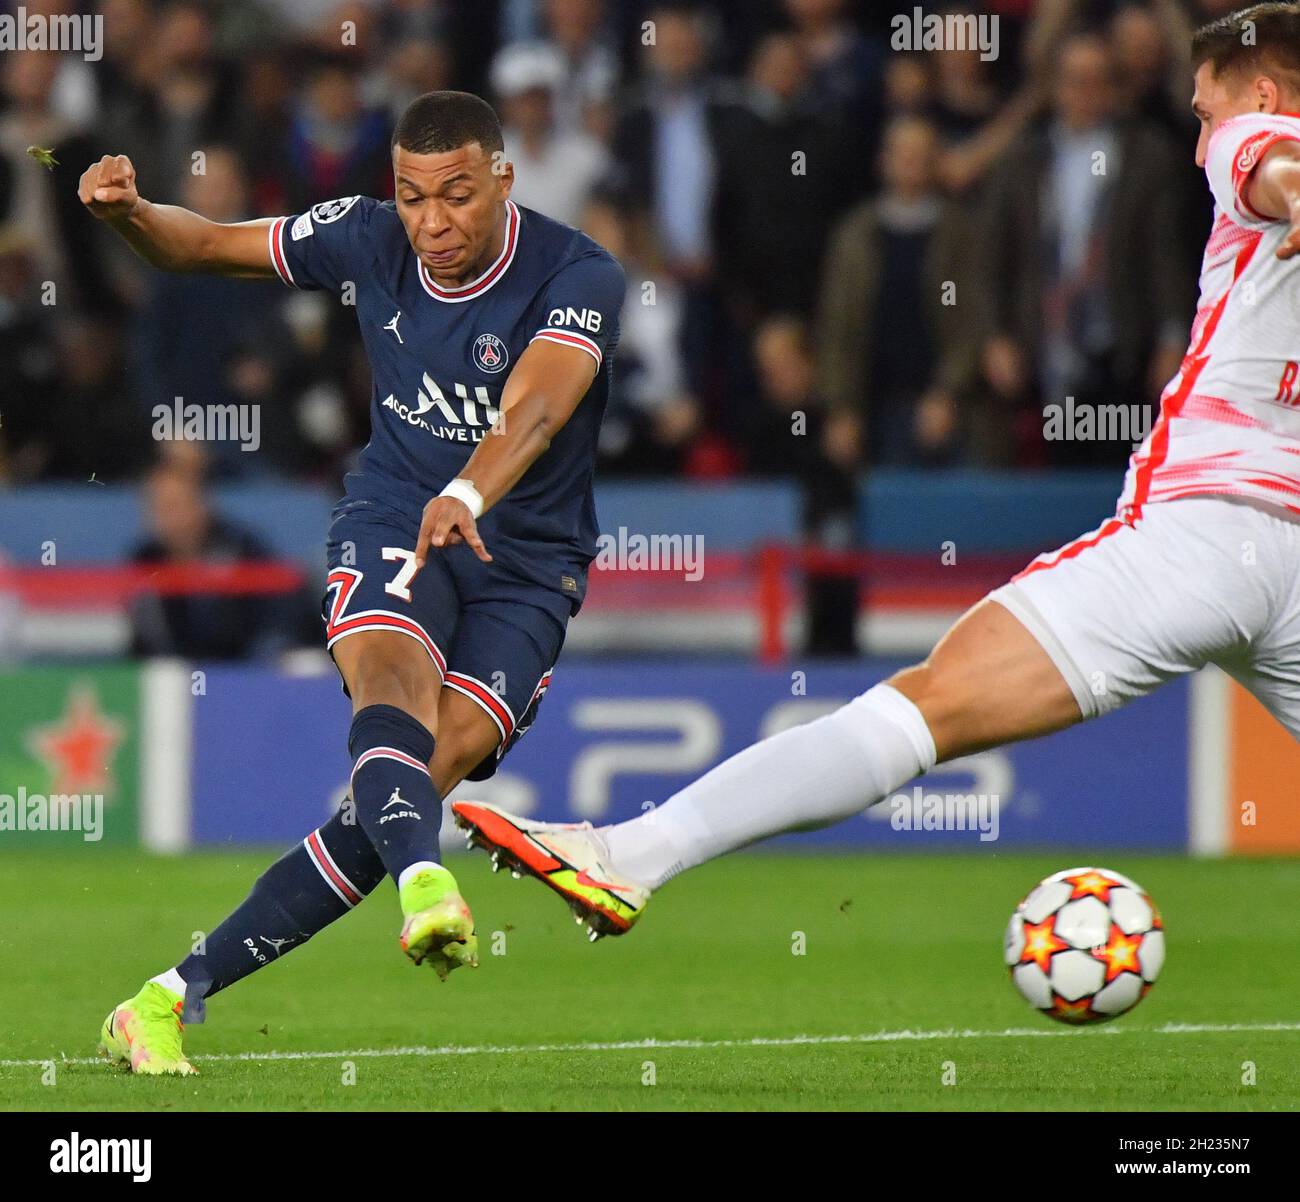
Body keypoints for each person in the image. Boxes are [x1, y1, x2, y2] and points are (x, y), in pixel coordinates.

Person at [453, 4, 1300, 944]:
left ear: (1259, 95)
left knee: (920, 710)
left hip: (1201, 535)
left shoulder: (1261, 138)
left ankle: (633, 854)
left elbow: (1267, 162)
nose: (1198, 143)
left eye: (1203, 112)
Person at [83, 90, 624, 1074]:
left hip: (530, 565)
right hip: (395, 520)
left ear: (502, 179)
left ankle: (166, 995)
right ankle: (427, 878)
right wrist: (132, 216)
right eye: (413, 196)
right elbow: (200, 245)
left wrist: (470, 484)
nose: (432, 222)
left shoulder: (578, 273)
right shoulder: (367, 238)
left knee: (410, 782)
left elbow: (538, 408)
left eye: (457, 195)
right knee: (389, 689)